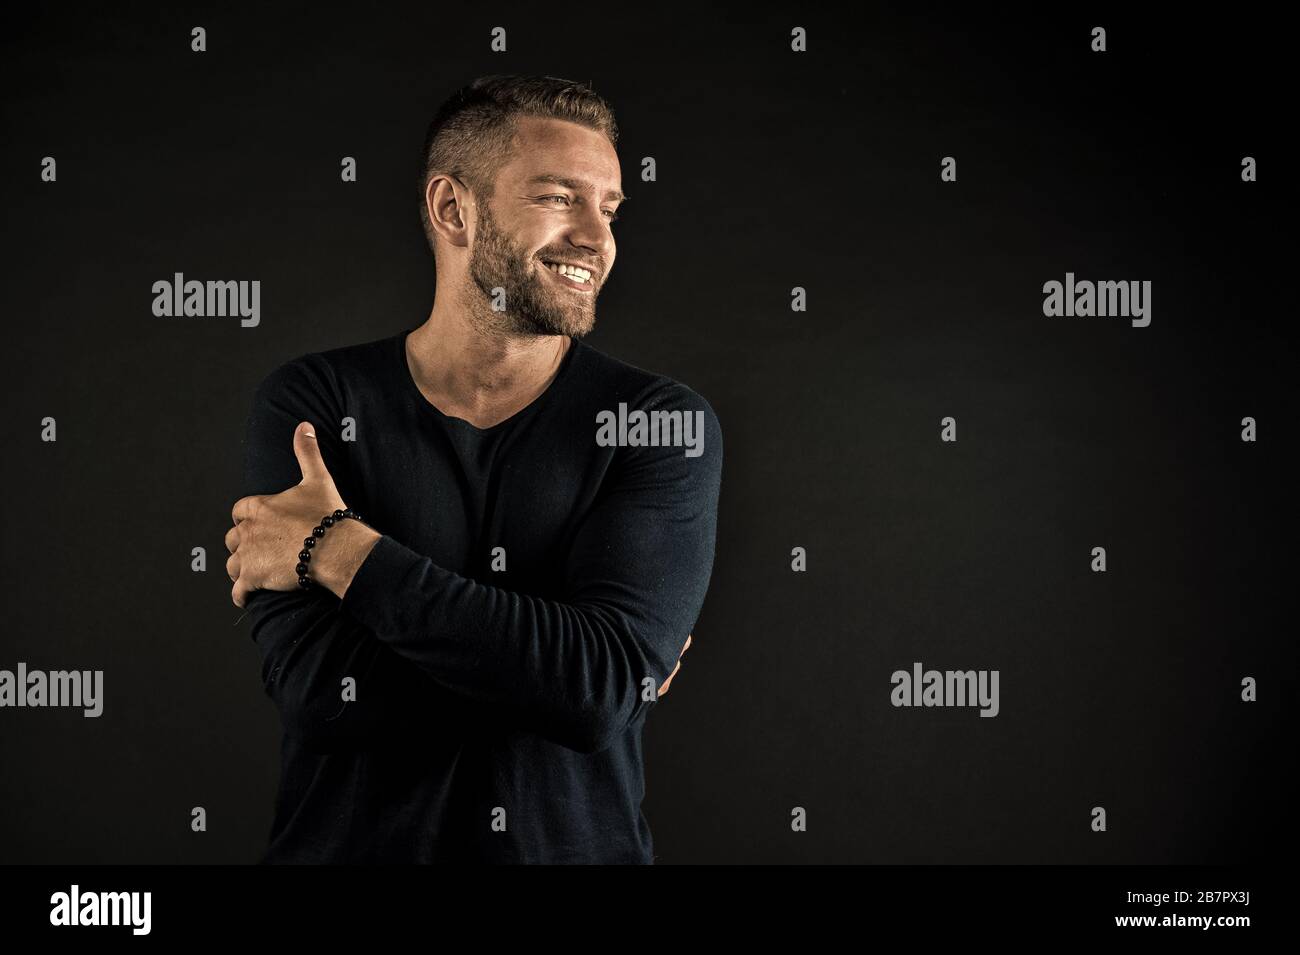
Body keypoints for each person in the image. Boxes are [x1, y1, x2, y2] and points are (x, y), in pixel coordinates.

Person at [224, 74, 723, 863]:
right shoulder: (316, 404)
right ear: (453, 209)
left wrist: (340, 548)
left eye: (611, 207)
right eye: (561, 198)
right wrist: (575, 672)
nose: (598, 236)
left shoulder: (659, 423)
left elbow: (595, 693)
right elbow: (326, 699)